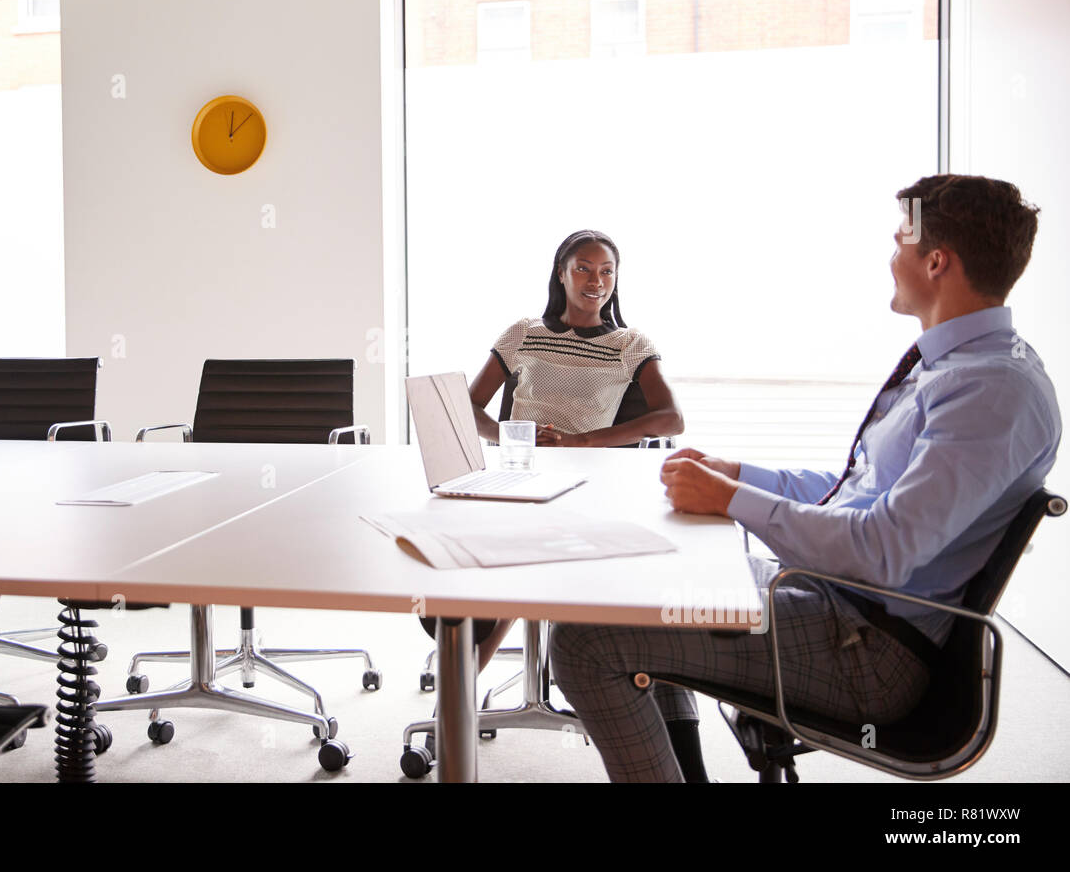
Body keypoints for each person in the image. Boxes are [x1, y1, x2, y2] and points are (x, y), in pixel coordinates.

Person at [548, 174, 1061, 782]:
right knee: (649, 580)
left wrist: (734, 501)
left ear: (936, 261)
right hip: (839, 603)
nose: (890, 255)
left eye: (900, 240)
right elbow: (859, 494)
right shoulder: (961, 367)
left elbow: (882, 550)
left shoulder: (990, 390)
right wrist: (737, 477)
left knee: (583, 640)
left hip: (868, 647)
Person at [419, 229, 684, 669]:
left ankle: (456, 697)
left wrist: (579, 440)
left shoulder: (630, 345)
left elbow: (670, 417)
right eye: (583, 268)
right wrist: (509, 434)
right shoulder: (523, 333)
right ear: (561, 274)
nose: (595, 280)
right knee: (480, 551)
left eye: (606, 271)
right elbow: (467, 407)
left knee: (519, 560)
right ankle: (458, 688)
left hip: (586, 486)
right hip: (518, 476)